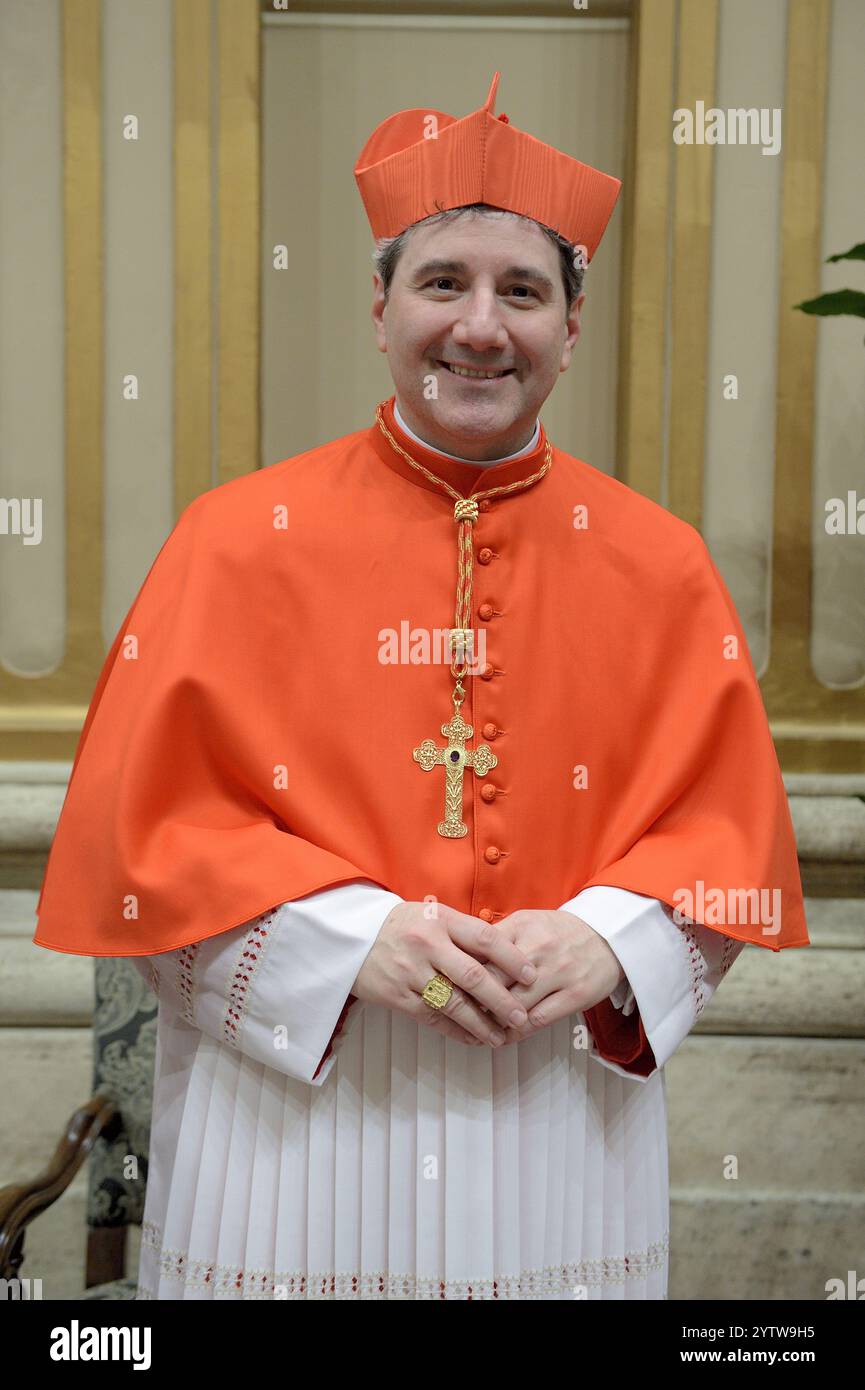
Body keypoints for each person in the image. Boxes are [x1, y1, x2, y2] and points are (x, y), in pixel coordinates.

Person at [33, 73, 808, 1300]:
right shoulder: (233, 541)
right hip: (288, 1129)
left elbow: (724, 841)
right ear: (379, 305)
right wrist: (348, 941)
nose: (481, 327)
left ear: (573, 321)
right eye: (444, 282)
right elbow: (141, 846)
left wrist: (609, 941)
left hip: (551, 1113)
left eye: (523, 291)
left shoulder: (660, 563)